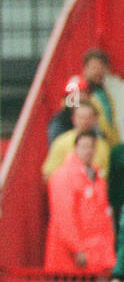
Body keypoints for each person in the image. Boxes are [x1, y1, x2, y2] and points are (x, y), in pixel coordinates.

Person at [45, 130, 116, 271]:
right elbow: (64, 216)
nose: (88, 151)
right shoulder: (64, 176)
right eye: (84, 147)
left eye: (91, 147)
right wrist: (77, 248)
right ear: (75, 148)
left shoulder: (97, 177)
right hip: (73, 256)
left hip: (97, 252)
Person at [42, 103, 110, 179]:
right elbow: (49, 173)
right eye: (81, 117)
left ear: (95, 119)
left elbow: (107, 175)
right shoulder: (61, 142)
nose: (84, 121)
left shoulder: (103, 146)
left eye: (88, 117)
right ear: (73, 119)